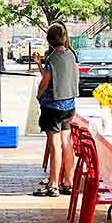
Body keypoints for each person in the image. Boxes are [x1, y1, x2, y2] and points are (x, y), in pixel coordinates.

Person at [33, 23, 79, 197]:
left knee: (55, 145)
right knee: (67, 144)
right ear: (65, 37)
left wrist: (39, 95)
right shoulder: (71, 56)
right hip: (69, 106)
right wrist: (39, 64)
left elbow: (46, 80)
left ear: (49, 40)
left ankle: (53, 184)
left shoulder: (52, 59)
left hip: (52, 108)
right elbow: (52, 74)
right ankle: (68, 182)